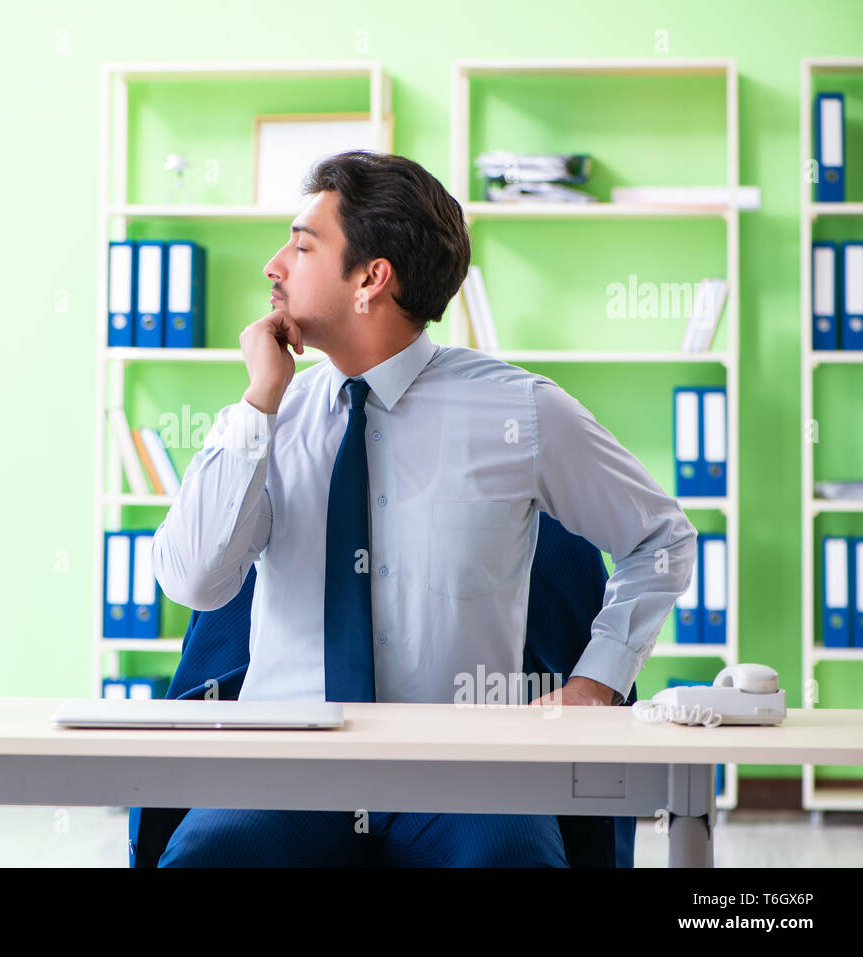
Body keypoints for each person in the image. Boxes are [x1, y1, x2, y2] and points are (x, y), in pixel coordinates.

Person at [150, 150, 697, 867]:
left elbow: (661, 536)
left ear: (372, 278)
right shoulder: (270, 413)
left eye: (302, 244)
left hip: (465, 770)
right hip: (286, 766)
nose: (273, 265)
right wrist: (257, 402)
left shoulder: (520, 410)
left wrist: (596, 684)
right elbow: (193, 582)